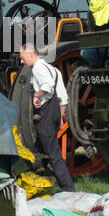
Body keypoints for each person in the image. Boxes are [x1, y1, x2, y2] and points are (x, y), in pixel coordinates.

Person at [19, 42, 75, 193]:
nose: (21, 62)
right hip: (55, 111)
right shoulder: (54, 69)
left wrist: (36, 96)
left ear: (31, 54)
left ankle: (68, 189)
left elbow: (47, 86)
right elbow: (63, 97)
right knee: (38, 147)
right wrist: (60, 117)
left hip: (47, 112)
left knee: (53, 153)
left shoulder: (38, 68)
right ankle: (38, 172)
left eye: (23, 58)